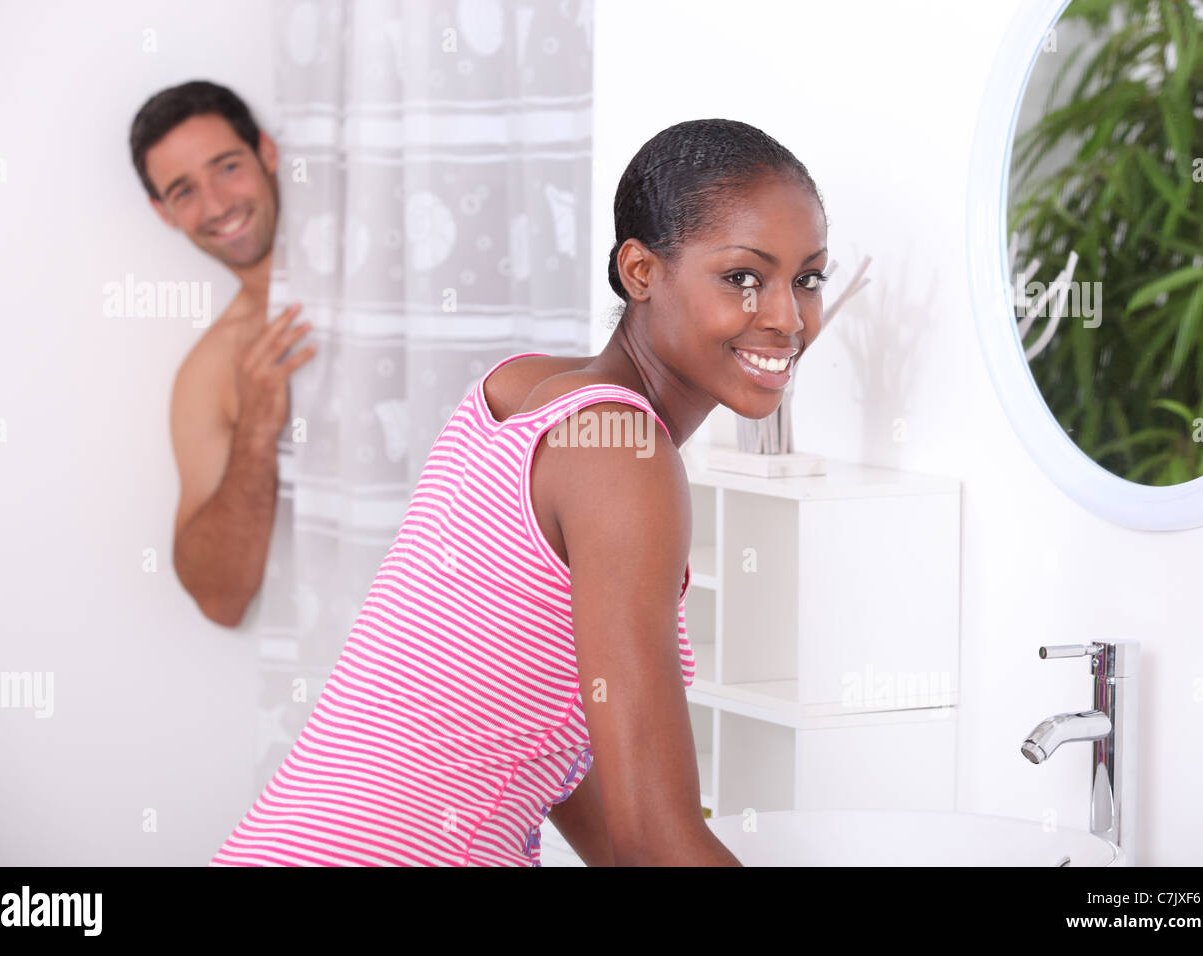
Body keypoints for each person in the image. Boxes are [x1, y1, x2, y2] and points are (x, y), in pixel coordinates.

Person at [209, 117, 828, 866]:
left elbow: (535, 737)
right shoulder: (623, 455)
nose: (788, 317)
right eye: (742, 278)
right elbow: (654, 841)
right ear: (640, 272)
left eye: (808, 278)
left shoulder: (520, 388)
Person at [130, 80, 315, 627]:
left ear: (267, 151)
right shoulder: (210, 373)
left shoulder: (373, 270)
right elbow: (220, 597)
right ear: (163, 212)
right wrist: (256, 427)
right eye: (184, 191)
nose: (216, 204)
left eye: (228, 166)